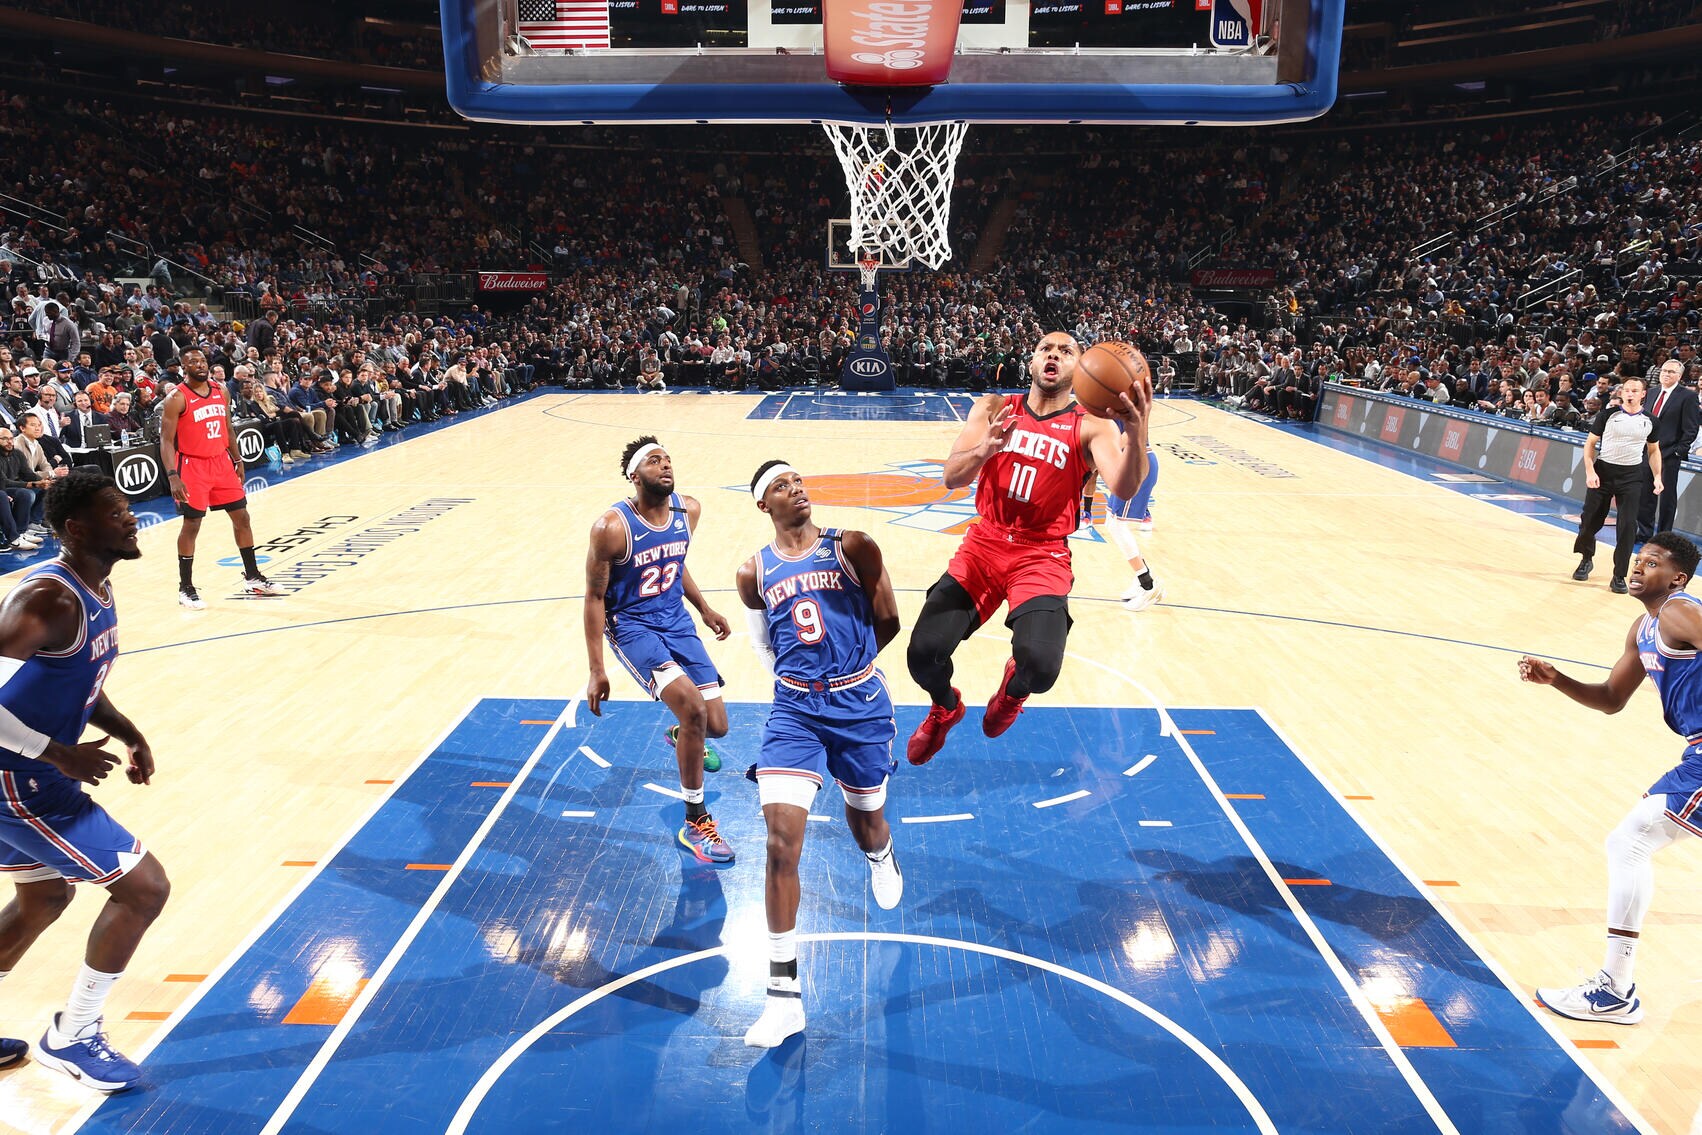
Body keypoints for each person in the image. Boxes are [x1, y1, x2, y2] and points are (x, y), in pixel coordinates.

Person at [905, 331, 1150, 765]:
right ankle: (945, 707)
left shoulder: (1092, 427)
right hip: (985, 543)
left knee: (1041, 666)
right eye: (1045, 349)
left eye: (1066, 351)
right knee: (923, 655)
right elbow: (951, 477)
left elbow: (1126, 487)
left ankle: (1012, 691)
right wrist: (985, 448)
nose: (1053, 354)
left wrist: (1137, 426)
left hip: (1042, 553)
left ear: (1081, 368)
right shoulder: (995, 408)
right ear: (1033, 362)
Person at [0, 470, 171, 1090]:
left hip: (26, 775)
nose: (130, 518)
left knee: (44, 898)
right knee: (145, 889)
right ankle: (72, 1036)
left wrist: (130, 733)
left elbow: (80, 681)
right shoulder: (49, 599)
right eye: (116, 511)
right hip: (19, 783)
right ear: (77, 529)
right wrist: (57, 754)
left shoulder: (95, 587)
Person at [736, 460, 904, 1048]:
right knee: (780, 842)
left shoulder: (853, 546)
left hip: (859, 703)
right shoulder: (752, 571)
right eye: (782, 486)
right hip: (794, 712)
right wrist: (802, 683)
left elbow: (889, 620)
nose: (797, 489)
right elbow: (763, 646)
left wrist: (848, 670)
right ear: (764, 504)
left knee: (867, 823)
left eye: (800, 481)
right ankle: (783, 999)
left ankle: (881, 856)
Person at [1521, 532, 1702, 1026]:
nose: (1639, 566)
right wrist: (1557, 679)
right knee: (1631, 842)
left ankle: (1615, 990)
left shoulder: (1679, 611)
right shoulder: (1643, 628)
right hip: (1696, 750)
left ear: (1678, 577)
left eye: (1653, 562)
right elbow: (1610, 699)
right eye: (1638, 558)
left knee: (1630, 842)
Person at [584, 436, 734, 863]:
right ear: (634, 476)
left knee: (716, 725)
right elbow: (595, 598)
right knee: (692, 709)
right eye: (654, 460)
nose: (665, 464)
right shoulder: (611, 528)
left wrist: (703, 607)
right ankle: (696, 822)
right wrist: (597, 668)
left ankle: (683, 736)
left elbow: (674, 560)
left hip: (676, 620)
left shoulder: (689, 510)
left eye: (668, 458)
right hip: (632, 626)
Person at [158, 348, 284, 609]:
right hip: (191, 465)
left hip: (221, 463)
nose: (199, 365)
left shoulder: (221, 390)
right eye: (192, 362)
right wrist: (172, 475)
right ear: (183, 367)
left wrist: (237, 459)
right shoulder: (176, 398)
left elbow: (227, 428)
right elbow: (166, 440)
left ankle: (252, 577)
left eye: (202, 361)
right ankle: (186, 588)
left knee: (242, 517)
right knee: (192, 524)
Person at [1573, 376, 1660, 594]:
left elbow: (1653, 450)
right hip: (1603, 471)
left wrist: (1658, 476)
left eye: (1634, 390)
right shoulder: (1607, 415)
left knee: (1628, 525)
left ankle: (1619, 575)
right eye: (1626, 390)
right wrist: (1590, 470)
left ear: (1643, 394)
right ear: (1621, 393)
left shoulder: (1650, 420)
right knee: (1589, 522)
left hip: (1631, 475)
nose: (1630, 393)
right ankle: (1586, 558)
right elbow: (1590, 444)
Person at [1101, 435, 1162, 611]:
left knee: (1116, 525)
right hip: (1129, 463)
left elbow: (1124, 439)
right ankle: (1142, 576)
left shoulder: (1127, 407)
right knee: (1111, 523)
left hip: (1136, 464)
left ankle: (1147, 585)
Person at [1638, 360, 1698, 539]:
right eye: (1664, 370)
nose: (1666, 374)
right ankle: (1644, 532)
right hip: (1647, 452)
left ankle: (1663, 535)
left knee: (1666, 498)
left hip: (1669, 454)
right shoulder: (1652, 392)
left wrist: (1679, 451)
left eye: (1671, 372)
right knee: (1645, 495)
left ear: (1679, 376)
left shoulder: (1687, 397)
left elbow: (1691, 428)